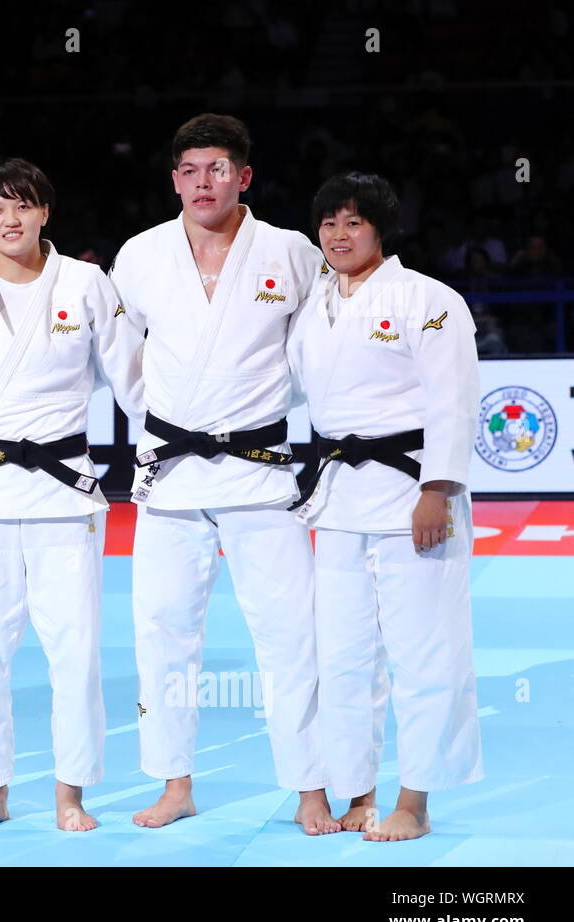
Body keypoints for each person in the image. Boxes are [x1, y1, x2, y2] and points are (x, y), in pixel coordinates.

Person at [110, 114, 332, 832]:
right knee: (162, 631)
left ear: (244, 176)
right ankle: (175, 784)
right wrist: (172, 427)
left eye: (217, 169)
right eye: (189, 170)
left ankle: (311, 787)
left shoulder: (292, 252)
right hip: (171, 474)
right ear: (174, 179)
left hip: (260, 473)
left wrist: (252, 416)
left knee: (293, 632)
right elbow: (124, 363)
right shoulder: (140, 255)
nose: (203, 182)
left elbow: (315, 355)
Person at [0, 158, 145, 831]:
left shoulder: (84, 283)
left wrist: (163, 453)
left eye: (22, 206)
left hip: (63, 490)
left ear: (45, 212)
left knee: (74, 646)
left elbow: (134, 378)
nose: (10, 219)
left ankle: (69, 790)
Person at [288, 171, 482, 841]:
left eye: (354, 222)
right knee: (343, 657)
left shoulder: (426, 299)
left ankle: (416, 801)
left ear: (381, 229)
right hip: (339, 501)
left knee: (425, 654)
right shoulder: (314, 308)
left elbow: (453, 402)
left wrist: (438, 489)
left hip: (410, 498)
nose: (340, 235)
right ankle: (359, 791)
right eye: (330, 223)